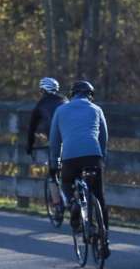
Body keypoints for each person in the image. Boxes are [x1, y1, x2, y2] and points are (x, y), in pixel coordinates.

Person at [49, 80, 110, 258]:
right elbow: (104, 137)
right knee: (99, 197)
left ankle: (73, 204)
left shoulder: (61, 110)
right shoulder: (96, 109)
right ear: (90, 95)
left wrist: (54, 162)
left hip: (70, 158)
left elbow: (54, 140)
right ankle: (104, 240)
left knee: (66, 184)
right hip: (93, 156)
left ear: (72, 94)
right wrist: (102, 158)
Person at [27, 77, 68, 210]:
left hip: (55, 141)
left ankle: (57, 205)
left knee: (53, 173)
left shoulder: (41, 105)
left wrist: (29, 145)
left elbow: (32, 128)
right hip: (71, 139)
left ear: (43, 90)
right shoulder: (65, 101)